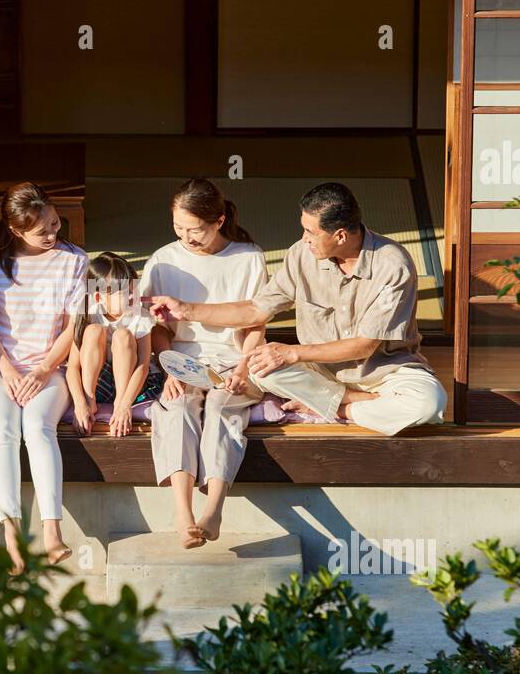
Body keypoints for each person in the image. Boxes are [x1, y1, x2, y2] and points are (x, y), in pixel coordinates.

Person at [147, 181, 447, 436]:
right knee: (259, 367)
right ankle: (355, 403)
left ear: (340, 235)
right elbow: (255, 310)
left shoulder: (392, 264)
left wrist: (293, 353)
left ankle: (341, 409)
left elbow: (365, 345)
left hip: (385, 371)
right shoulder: (300, 255)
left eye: (311, 232)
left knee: (428, 404)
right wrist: (186, 309)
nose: (304, 239)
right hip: (318, 374)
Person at [140, 178, 269, 549]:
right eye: (178, 227)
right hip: (181, 361)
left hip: (233, 361)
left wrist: (244, 368)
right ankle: (183, 514)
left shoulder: (248, 257)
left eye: (194, 229)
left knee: (220, 404)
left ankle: (213, 508)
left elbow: (255, 324)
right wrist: (167, 368)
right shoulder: (164, 260)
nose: (186, 236)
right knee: (177, 407)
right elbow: (158, 328)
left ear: (218, 220)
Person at [0, 183, 89, 575]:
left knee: (38, 427)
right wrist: (7, 369)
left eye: (55, 224)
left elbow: (72, 329)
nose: (52, 235)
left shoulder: (74, 261)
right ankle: (11, 533)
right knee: (3, 429)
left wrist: (42, 370)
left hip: (51, 369)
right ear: (15, 230)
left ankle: (52, 531)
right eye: (42, 231)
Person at [66, 252, 164, 438]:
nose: (132, 297)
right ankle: (90, 400)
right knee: (94, 330)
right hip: (97, 384)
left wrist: (125, 405)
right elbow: (73, 366)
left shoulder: (140, 316)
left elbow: (143, 365)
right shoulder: (89, 313)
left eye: (133, 289)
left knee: (122, 335)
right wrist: (80, 403)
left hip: (131, 386)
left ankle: (118, 402)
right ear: (98, 297)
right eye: (123, 293)